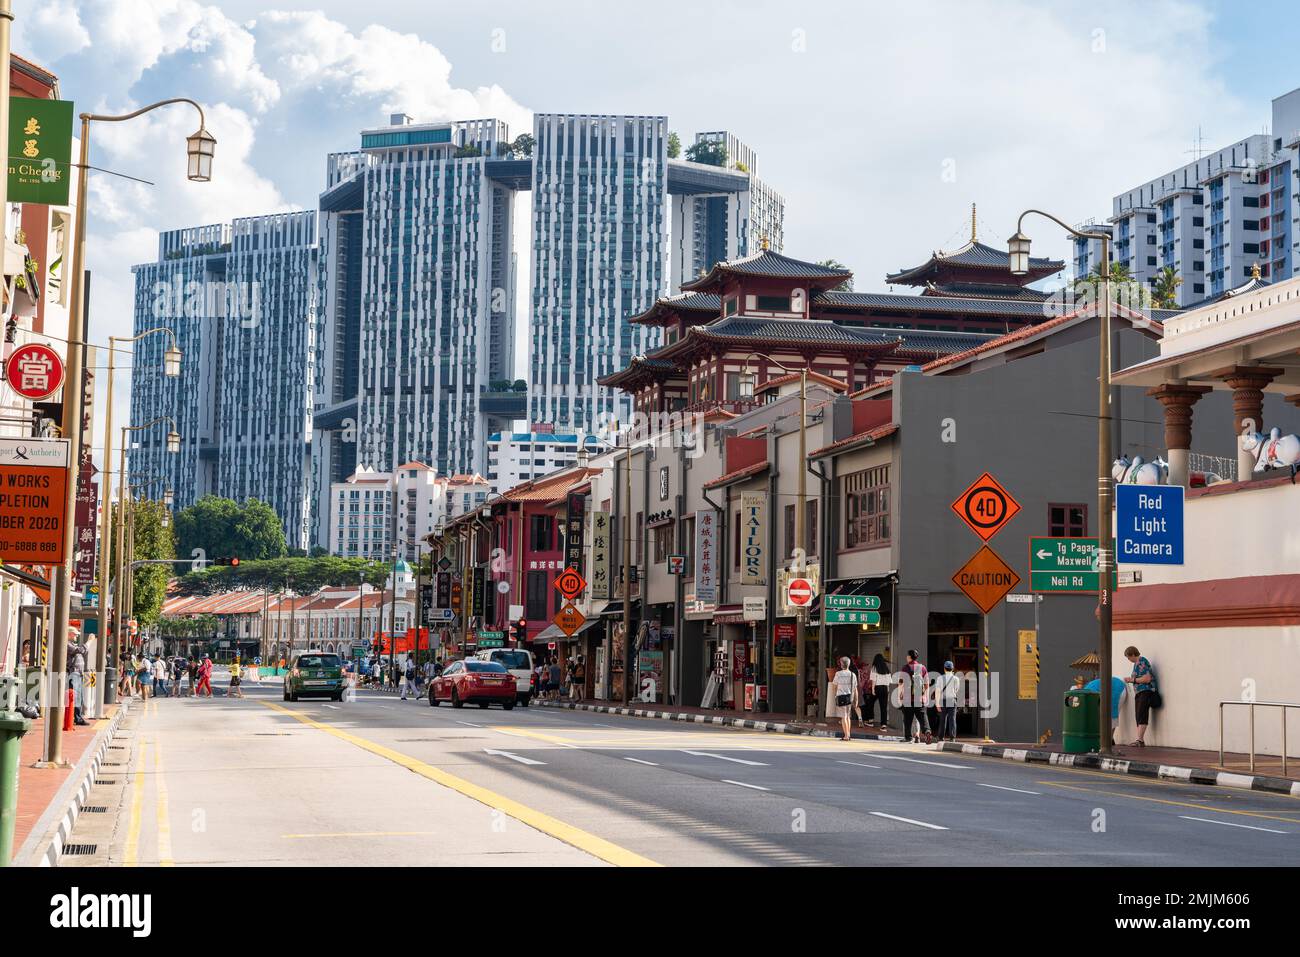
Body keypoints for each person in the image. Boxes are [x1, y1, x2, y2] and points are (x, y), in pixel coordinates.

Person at [1123, 646, 1158, 746]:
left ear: (1133, 654)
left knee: (1142, 714)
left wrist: (1132, 680)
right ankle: (1139, 739)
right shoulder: (1136, 664)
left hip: (1145, 691)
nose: (1128, 659)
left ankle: (1140, 740)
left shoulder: (1142, 662)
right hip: (1140, 692)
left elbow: (1147, 679)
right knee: (1138, 714)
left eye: (1128, 657)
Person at [899, 649, 931, 744]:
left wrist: (900, 695)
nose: (906, 657)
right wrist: (925, 696)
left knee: (907, 719)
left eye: (907, 656)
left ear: (909, 657)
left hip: (908, 698)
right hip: (919, 698)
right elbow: (926, 684)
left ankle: (908, 737)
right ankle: (927, 732)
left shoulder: (905, 668)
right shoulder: (922, 668)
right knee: (922, 717)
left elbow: (901, 683)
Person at [827, 657, 858, 742]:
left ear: (841, 664)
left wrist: (835, 695)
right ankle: (848, 734)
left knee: (843, 717)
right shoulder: (853, 674)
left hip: (841, 697)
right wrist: (856, 699)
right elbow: (855, 688)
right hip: (849, 697)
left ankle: (846, 736)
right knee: (848, 716)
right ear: (849, 664)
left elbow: (834, 685)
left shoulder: (838, 674)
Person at [936, 661, 961, 742]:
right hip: (952, 700)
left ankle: (941, 737)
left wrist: (937, 704)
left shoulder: (940, 678)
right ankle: (952, 737)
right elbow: (957, 690)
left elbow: (938, 691)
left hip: (943, 701)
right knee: (952, 719)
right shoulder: (956, 679)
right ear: (952, 669)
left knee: (942, 719)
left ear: (944, 668)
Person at [68, 635, 89, 725]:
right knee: (76, 697)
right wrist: (89, 642)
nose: (77, 635)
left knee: (79, 696)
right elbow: (80, 650)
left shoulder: (73, 644)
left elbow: (83, 651)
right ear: (70, 634)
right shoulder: (68, 644)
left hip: (78, 674)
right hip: (73, 673)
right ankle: (77, 717)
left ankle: (78, 716)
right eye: (75, 634)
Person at [865, 654, 891, 729]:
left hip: (877, 687)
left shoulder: (874, 667)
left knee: (870, 703)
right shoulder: (886, 668)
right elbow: (888, 681)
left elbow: (873, 679)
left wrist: (873, 689)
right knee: (883, 707)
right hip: (885, 688)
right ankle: (884, 724)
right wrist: (888, 690)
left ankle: (871, 721)